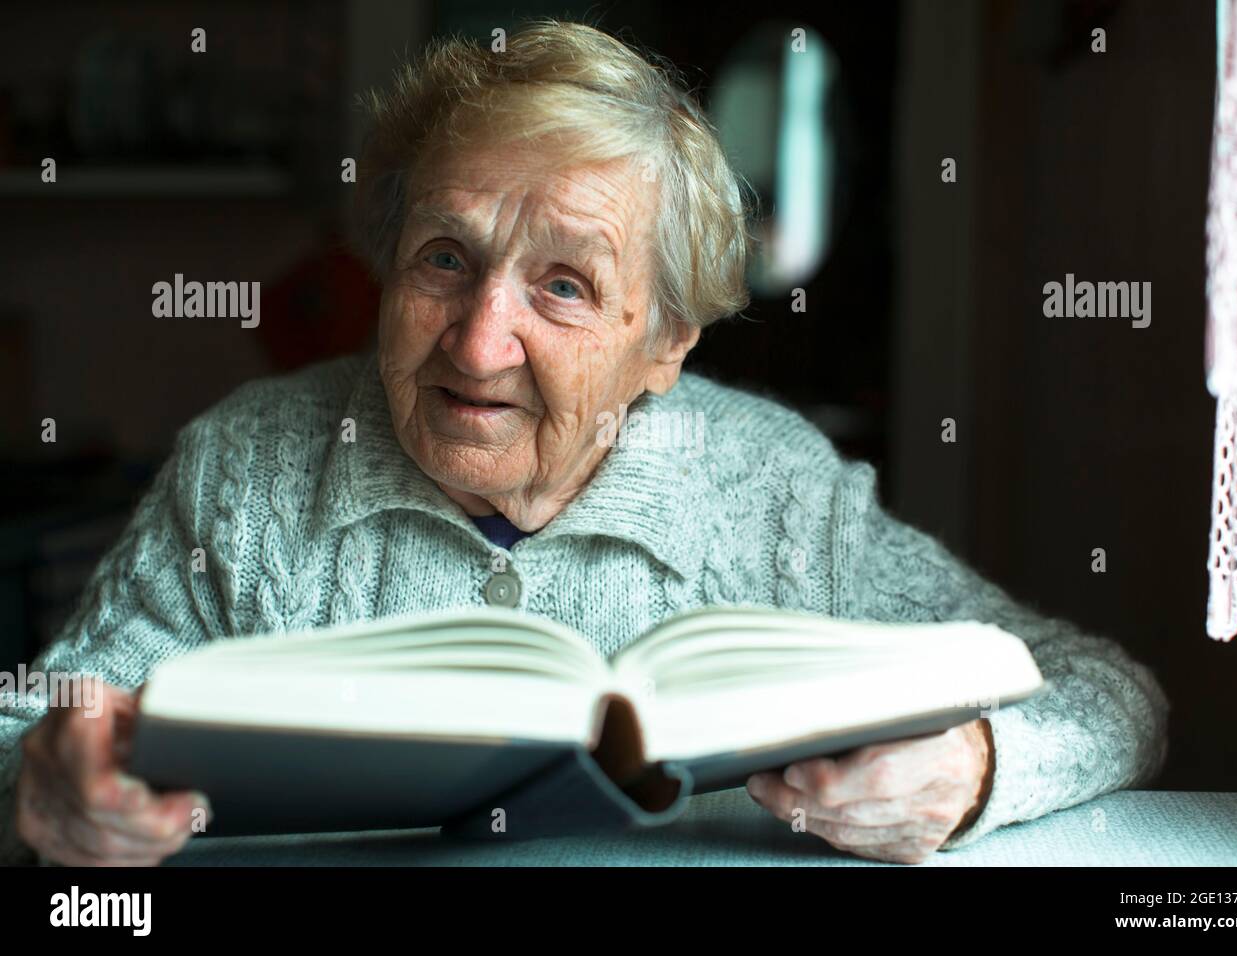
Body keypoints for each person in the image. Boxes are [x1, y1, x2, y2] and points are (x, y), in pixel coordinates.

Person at [2, 21, 1168, 866]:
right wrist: (44, 792)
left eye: (562, 284)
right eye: (445, 257)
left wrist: (973, 771)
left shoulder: (771, 491)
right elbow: (32, 714)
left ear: (663, 341)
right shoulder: (247, 468)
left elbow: (1107, 693)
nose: (479, 336)